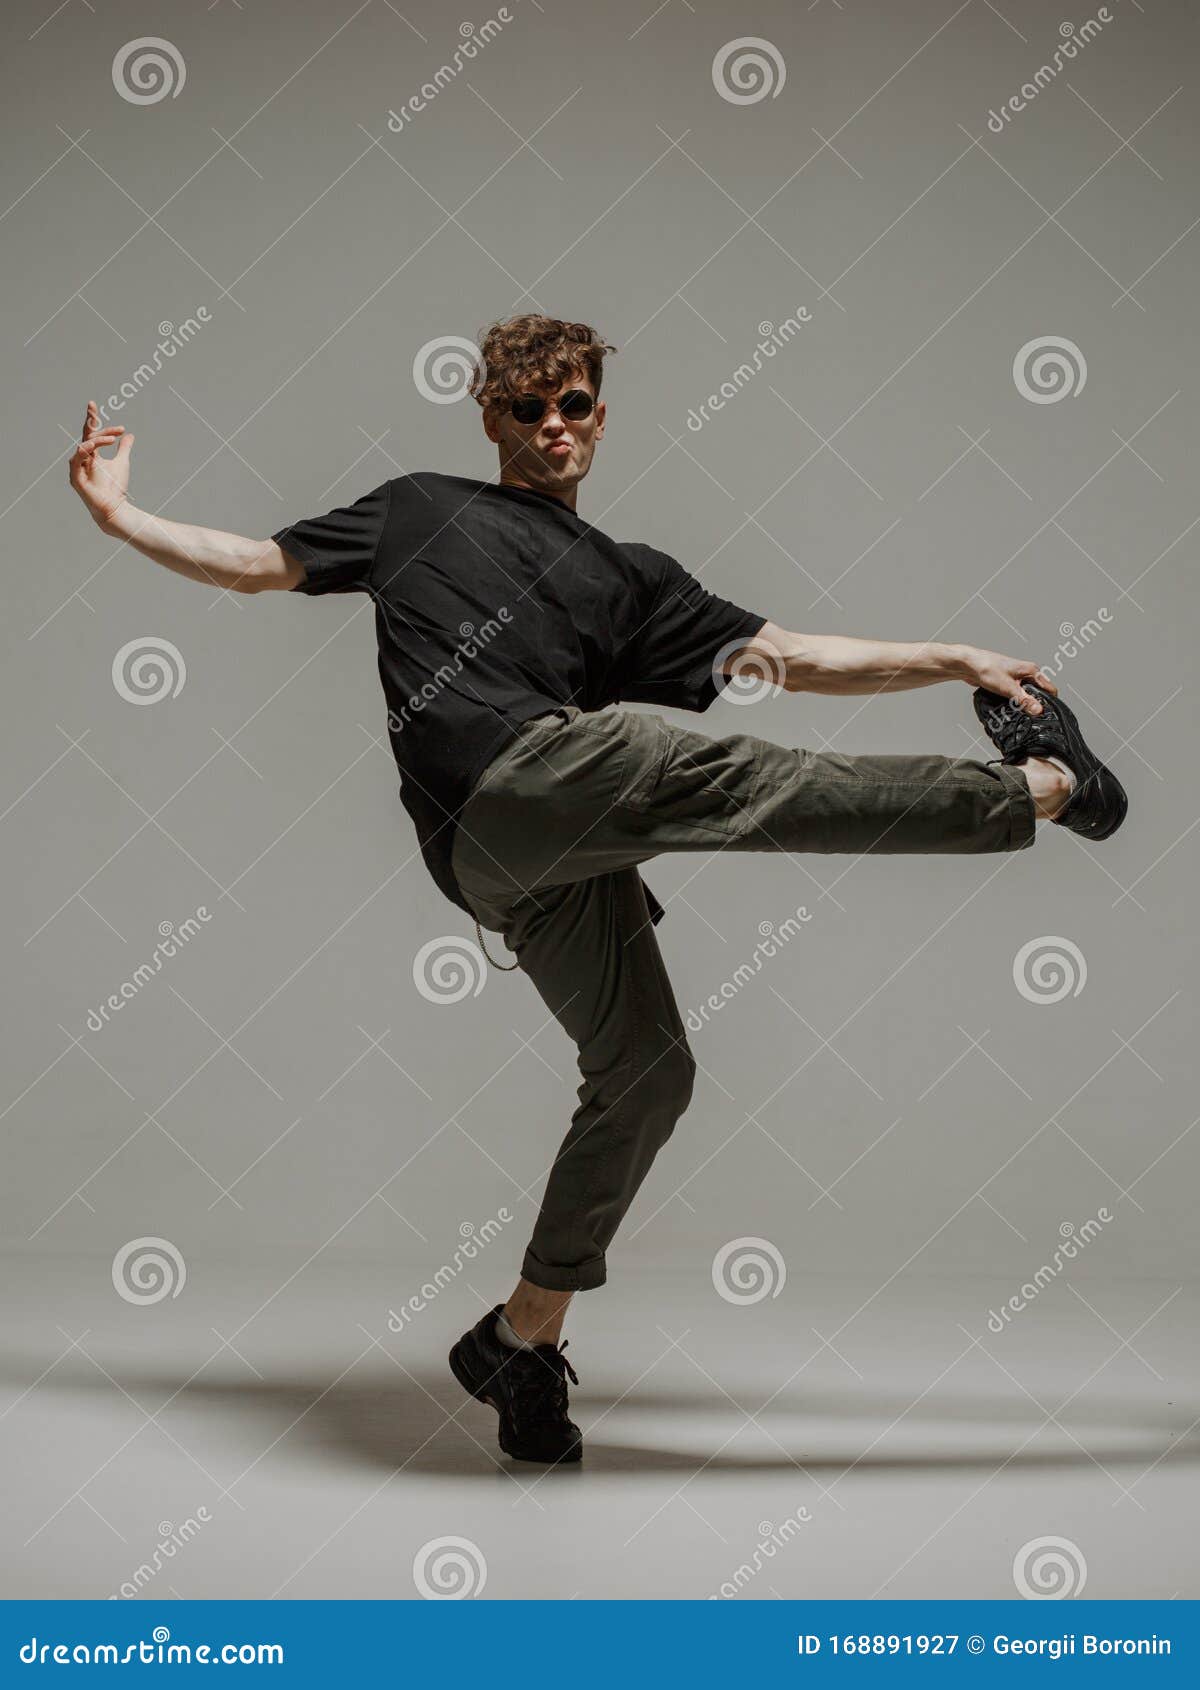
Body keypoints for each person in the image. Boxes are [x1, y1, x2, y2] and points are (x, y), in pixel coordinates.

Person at [69, 314, 1126, 1468]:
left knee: (648, 1071)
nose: (554, 427)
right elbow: (257, 563)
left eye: (572, 406)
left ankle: (523, 1340)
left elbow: (792, 657)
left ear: (600, 418)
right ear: (492, 418)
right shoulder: (418, 509)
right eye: (528, 409)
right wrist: (122, 515)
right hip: (513, 785)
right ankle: (1042, 789)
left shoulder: (630, 580)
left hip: (526, 858)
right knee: (713, 770)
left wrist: (957, 659)